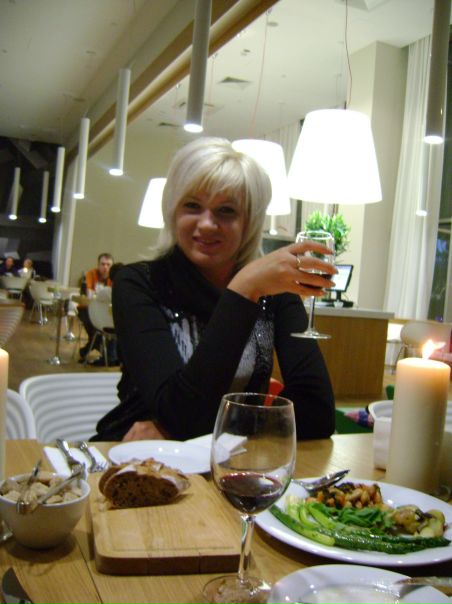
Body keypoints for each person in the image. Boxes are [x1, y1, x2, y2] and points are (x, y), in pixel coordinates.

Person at [93, 137, 336, 443]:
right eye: (192, 206)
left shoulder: (274, 292)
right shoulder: (139, 283)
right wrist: (242, 291)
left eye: (226, 211)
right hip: (136, 454)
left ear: (249, 222)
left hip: (236, 459)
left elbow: (318, 415)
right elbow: (181, 414)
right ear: (173, 211)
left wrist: (246, 286)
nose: (207, 224)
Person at [78, 253, 114, 360]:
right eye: (103, 264)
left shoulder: (113, 277)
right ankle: (106, 353)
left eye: (108, 265)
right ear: (98, 265)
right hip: (86, 309)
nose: (105, 267)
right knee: (94, 328)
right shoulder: (91, 274)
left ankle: (90, 348)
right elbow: (90, 294)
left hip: (105, 311)